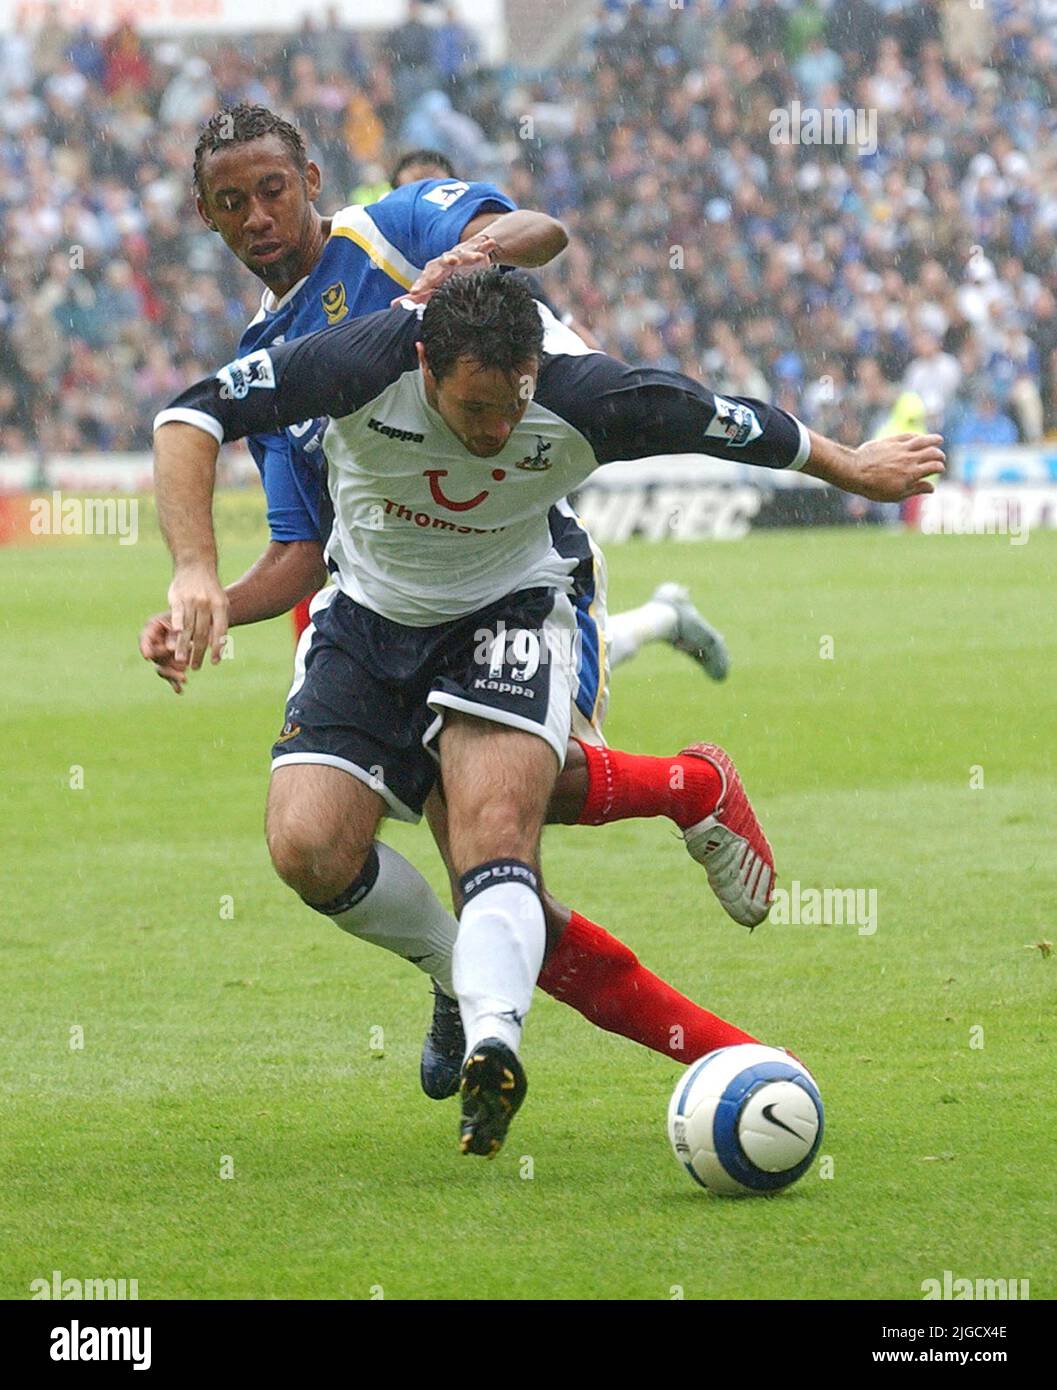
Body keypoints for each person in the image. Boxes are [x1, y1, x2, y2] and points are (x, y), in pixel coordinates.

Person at [151, 270, 945, 1154]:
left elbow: (730, 420)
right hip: (367, 621)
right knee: (307, 846)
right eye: (475, 408)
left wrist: (854, 467)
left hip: (507, 611)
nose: (497, 431)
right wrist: (194, 572)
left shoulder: (587, 397)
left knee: (491, 830)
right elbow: (191, 415)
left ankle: (495, 1042)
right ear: (425, 364)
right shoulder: (356, 361)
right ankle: (471, 965)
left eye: (513, 405)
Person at [139, 106, 756, 1105]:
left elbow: (539, 232)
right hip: (394, 603)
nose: (257, 216)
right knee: (488, 876)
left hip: (517, 565)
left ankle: (695, 805)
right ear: (205, 217)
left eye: (272, 190)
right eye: (231, 202)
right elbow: (299, 552)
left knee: (507, 824)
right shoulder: (272, 354)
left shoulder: (391, 228)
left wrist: (467, 259)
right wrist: (204, 603)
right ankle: (488, 990)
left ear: (310, 178)